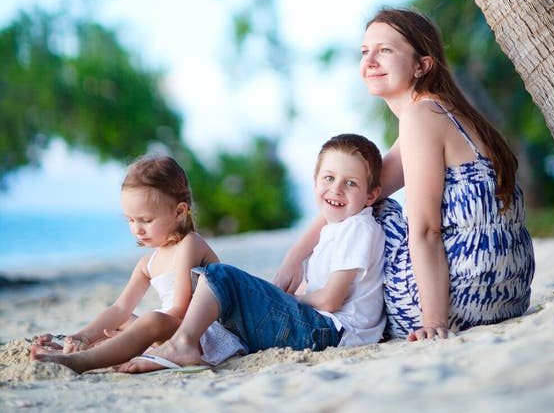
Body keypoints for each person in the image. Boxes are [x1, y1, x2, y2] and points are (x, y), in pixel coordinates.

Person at [275, 8, 535, 342]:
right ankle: (319, 296)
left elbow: (426, 230)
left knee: (374, 208)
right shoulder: (443, 111)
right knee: (361, 192)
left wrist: (434, 321)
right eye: (365, 51)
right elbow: (365, 192)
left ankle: (325, 301)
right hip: (508, 292)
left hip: (461, 298)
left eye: (384, 50)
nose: (370, 62)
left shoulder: (421, 117)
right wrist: (294, 259)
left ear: (421, 65)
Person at [119, 133, 386, 373]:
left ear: (371, 195)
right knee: (226, 303)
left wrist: (287, 299)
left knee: (220, 276)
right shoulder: (340, 226)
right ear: (315, 181)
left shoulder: (357, 228)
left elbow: (330, 300)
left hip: (329, 332)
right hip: (322, 327)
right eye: (329, 178)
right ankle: (165, 338)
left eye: (351, 183)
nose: (336, 189)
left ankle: (182, 344)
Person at [30, 155, 243, 373]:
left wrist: (139, 333)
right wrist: (81, 336)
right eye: (130, 220)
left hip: (200, 332)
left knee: (149, 321)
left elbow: (181, 310)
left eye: (146, 220)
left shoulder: (191, 244)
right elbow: (120, 308)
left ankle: (83, 360)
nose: (137, 229)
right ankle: (78, 346)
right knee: (121, 320)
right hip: (168, 326)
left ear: (179, 212)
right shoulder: (147, 263)